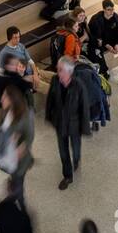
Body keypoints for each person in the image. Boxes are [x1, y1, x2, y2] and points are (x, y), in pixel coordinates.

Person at [45, 58, 90, 190]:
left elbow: (84, 108)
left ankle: (76, 160)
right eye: (58, 69)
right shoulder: (55, 81)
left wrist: (85, 128)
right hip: (60, 124)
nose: (58, 73)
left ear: (69, 72)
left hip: (74, 125)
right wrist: (49, 117)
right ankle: (67, 176)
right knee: (63, 152)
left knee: (75, 148)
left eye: (60, 70)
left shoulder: (79, 86)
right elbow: (50, 101)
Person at [0, 81, 35, 197]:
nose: (1, 99)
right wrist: (5, 135)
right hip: (7, 153)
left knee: (18, 182)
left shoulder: (25, 115)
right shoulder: (2, 111)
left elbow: (30, 136)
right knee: (13, 178)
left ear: (12, 100)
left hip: (19, 158)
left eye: (4, 97)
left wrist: (22, 147)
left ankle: (20, 205)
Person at [87, 0, 118, 78]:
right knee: (97, 51)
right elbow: (95, 36)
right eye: (109, 10)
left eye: (113, 9)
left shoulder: (115, 17)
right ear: (104, 9)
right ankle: (104, 71)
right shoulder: (96, 19)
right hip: (102, 43)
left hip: (114, 42)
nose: (112, 12)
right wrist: (106, 45)